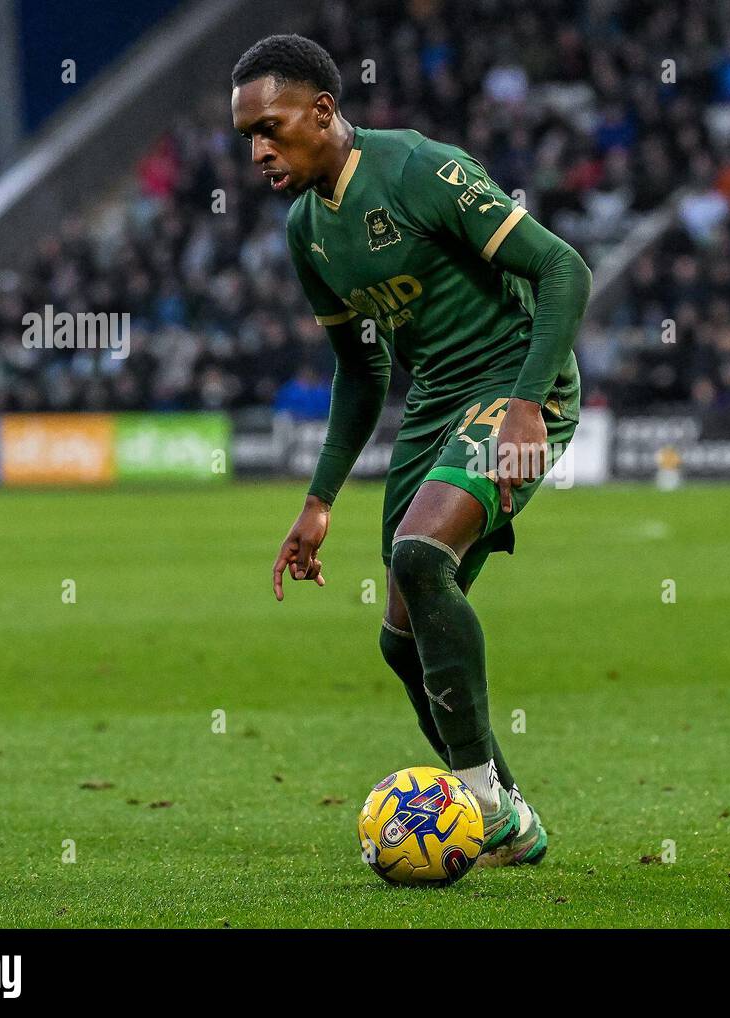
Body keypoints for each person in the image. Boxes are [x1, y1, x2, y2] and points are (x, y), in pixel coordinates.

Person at [233, 34, 591, 864]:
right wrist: (319, 501)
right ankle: (508, 818)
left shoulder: (421, 169)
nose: (258, 151)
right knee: (399, 642)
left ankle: (481, 805)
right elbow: (361, 370)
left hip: (521, 385)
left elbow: (563, 270)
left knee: (422, 556)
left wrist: (529, 407)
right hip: (436, 405)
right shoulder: (304, 232)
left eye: (272, 128)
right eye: (248, 136)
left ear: (323, 111)